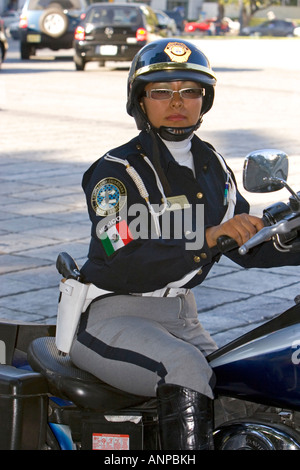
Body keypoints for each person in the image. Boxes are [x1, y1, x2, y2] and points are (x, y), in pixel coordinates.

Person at [70, 38, 300, 450]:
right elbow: (123, 261)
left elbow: (245, 246)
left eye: (190, 91)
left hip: (181, 316)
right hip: (110, 317)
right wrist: (207, 238)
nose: (178, 102)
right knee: (186, 369)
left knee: (247, 382)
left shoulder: (213, 166)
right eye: (162, 91)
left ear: (204, 99)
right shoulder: (115, 174)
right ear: (140, 100)